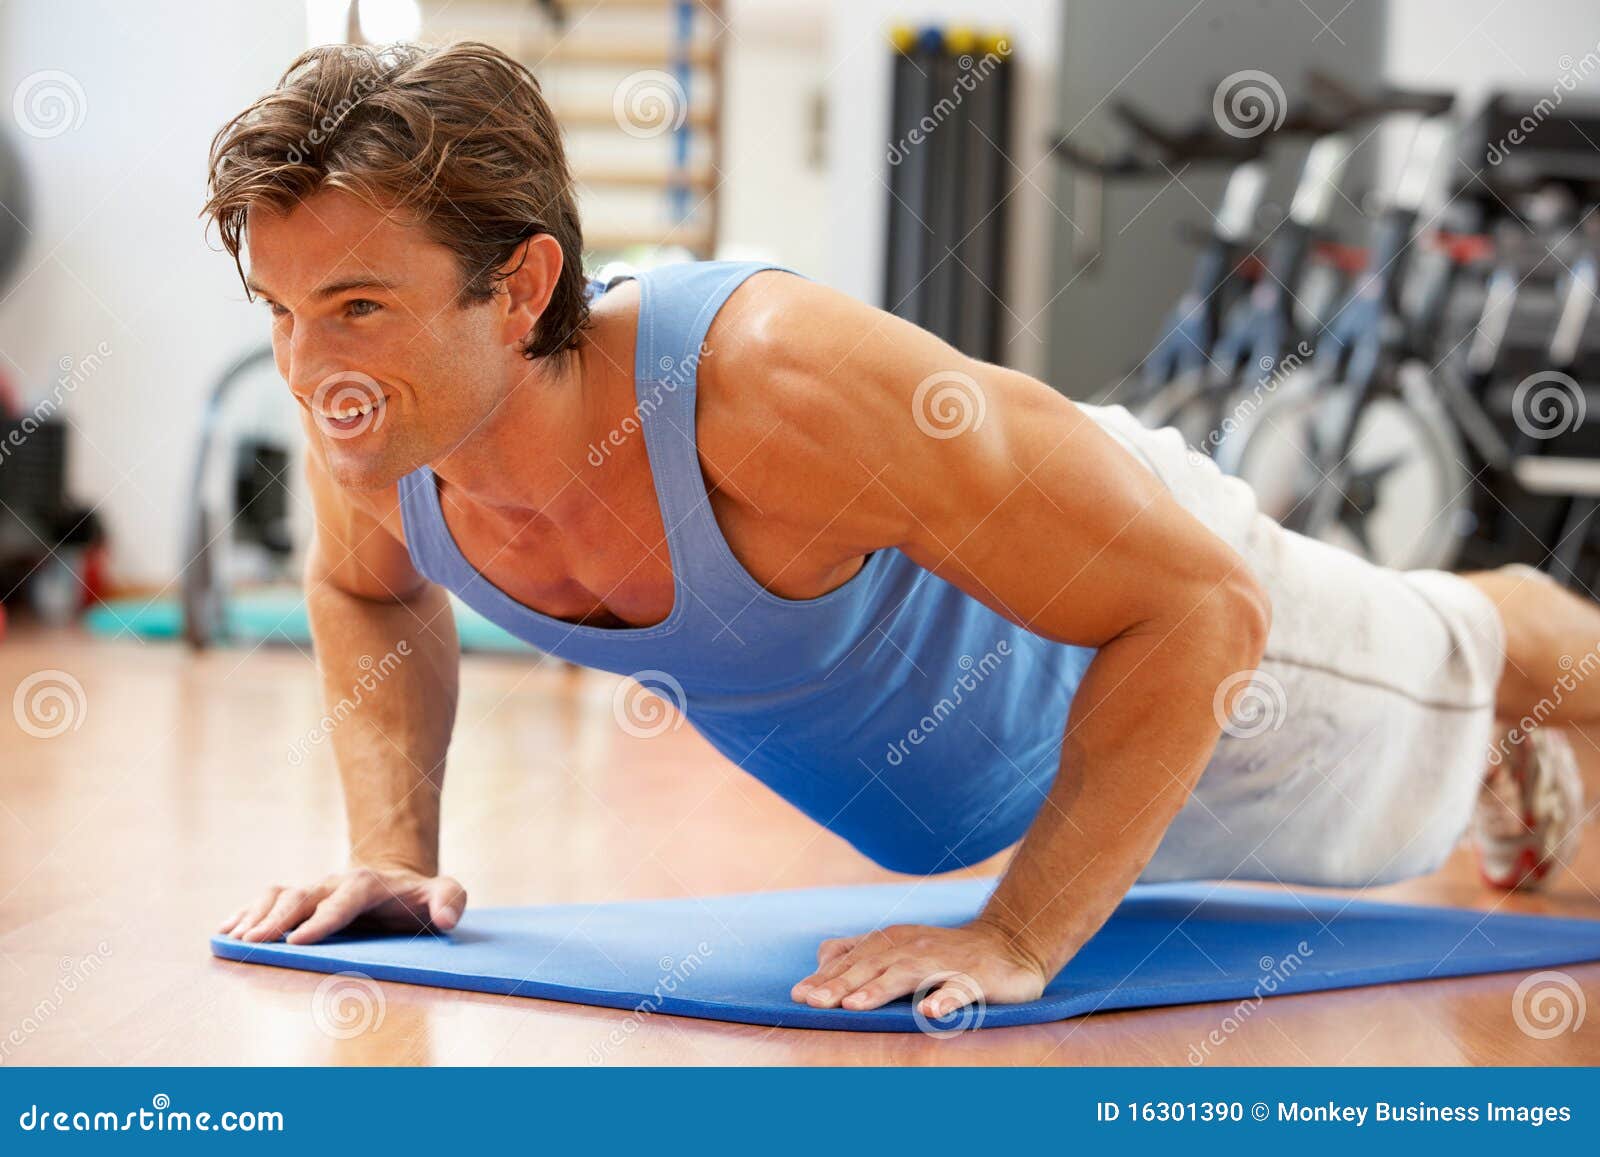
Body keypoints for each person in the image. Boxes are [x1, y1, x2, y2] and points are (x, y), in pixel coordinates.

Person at [208, 42, 1588, 1021]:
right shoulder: (379, 430)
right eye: (278, 309)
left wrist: (1018, 933)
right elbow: (367, 592)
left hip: (1171, 648)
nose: (304, 363)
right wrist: (396, 844)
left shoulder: (764, 382)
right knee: (1439, 726)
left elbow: (1198, 610)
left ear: (519, 290)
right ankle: (1481, 740)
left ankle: (1509, 647)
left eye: (356, 307)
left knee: (1464, 652)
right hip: (1044, 780)